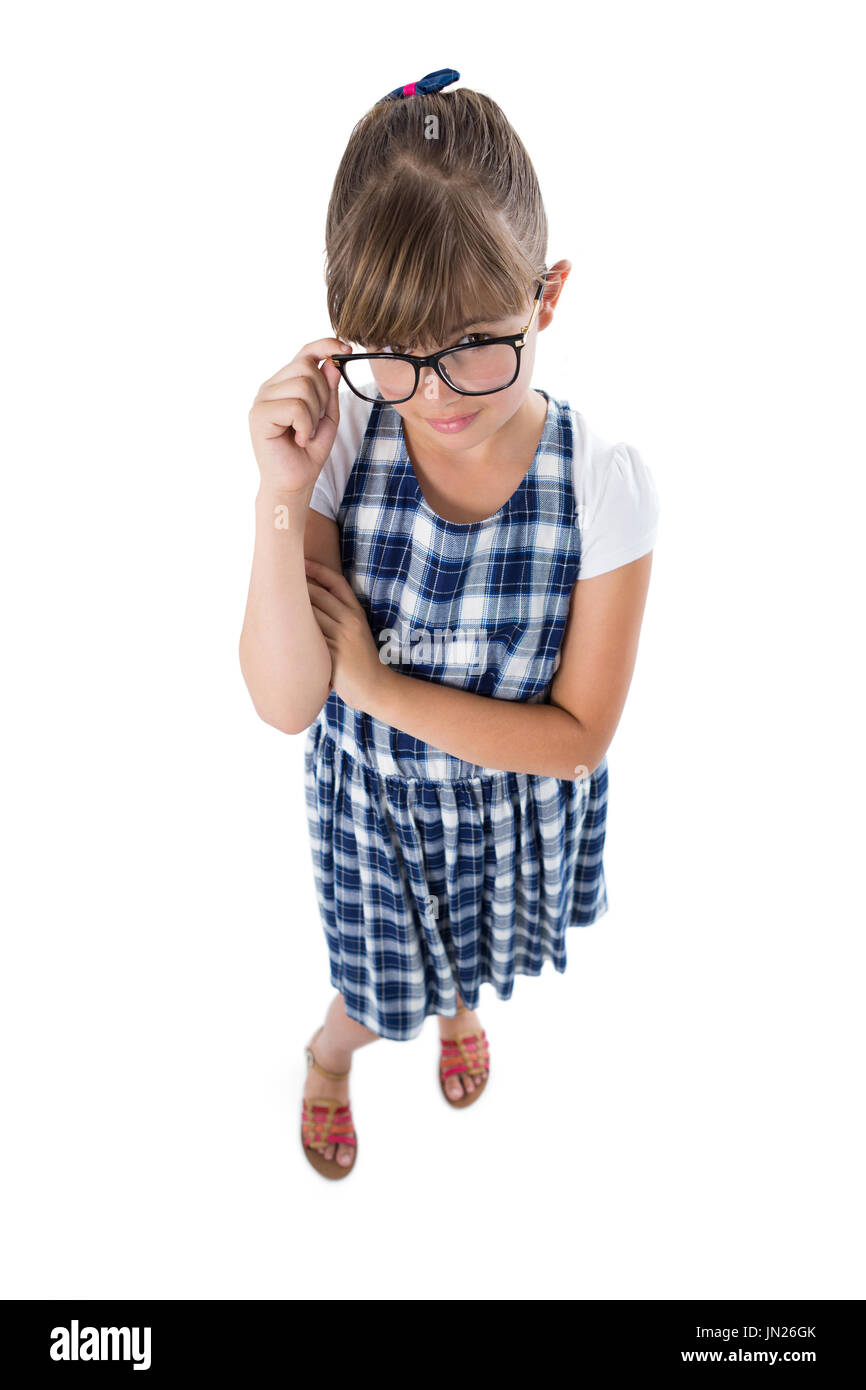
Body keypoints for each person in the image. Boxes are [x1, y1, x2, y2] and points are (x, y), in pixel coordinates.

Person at [240, 70, 661, 1180]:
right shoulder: (336, 451)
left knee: (467, 959)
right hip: (377, 824)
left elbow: (573, 737)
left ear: (546, 295)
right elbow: (288, 701)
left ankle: (454, 1001)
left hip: (508, 819)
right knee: (377, 992)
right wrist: (277, 491)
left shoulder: (599, 486)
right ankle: (332, 1052)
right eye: (394, 350)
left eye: (479, 338)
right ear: (343, 336)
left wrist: (376, 687)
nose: (436, 391)